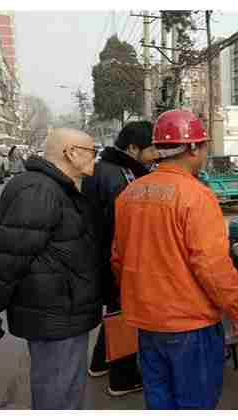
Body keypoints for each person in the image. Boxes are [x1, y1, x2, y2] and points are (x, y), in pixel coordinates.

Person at [111, 109, 238, 410]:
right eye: (203, 146)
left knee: (159, 400)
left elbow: (119, 259)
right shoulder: (197, 196)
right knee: (195, 404)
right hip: (190, 324)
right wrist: (237, 311)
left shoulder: (129, 194)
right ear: (192, 148)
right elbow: (212, 267)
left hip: (148, 322)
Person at [0, 128, 102, 410]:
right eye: (92, 151)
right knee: (58, 398)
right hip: (55, 318)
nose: (96, 157)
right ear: (71, 153)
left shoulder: (55, 187)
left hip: (63, 314)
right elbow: (7, 259)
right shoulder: (39, 190)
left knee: (65, 393)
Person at [82, 121, 159, 396]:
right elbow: (122, 225)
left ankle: (100, 362)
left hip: (100, 254)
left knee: (115, 312)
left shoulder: (107, 168)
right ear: (133, 148)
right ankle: (122, 378)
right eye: (152, 150)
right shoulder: (120, 176)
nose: (156, 156)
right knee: (124, 315)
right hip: (114, 258)